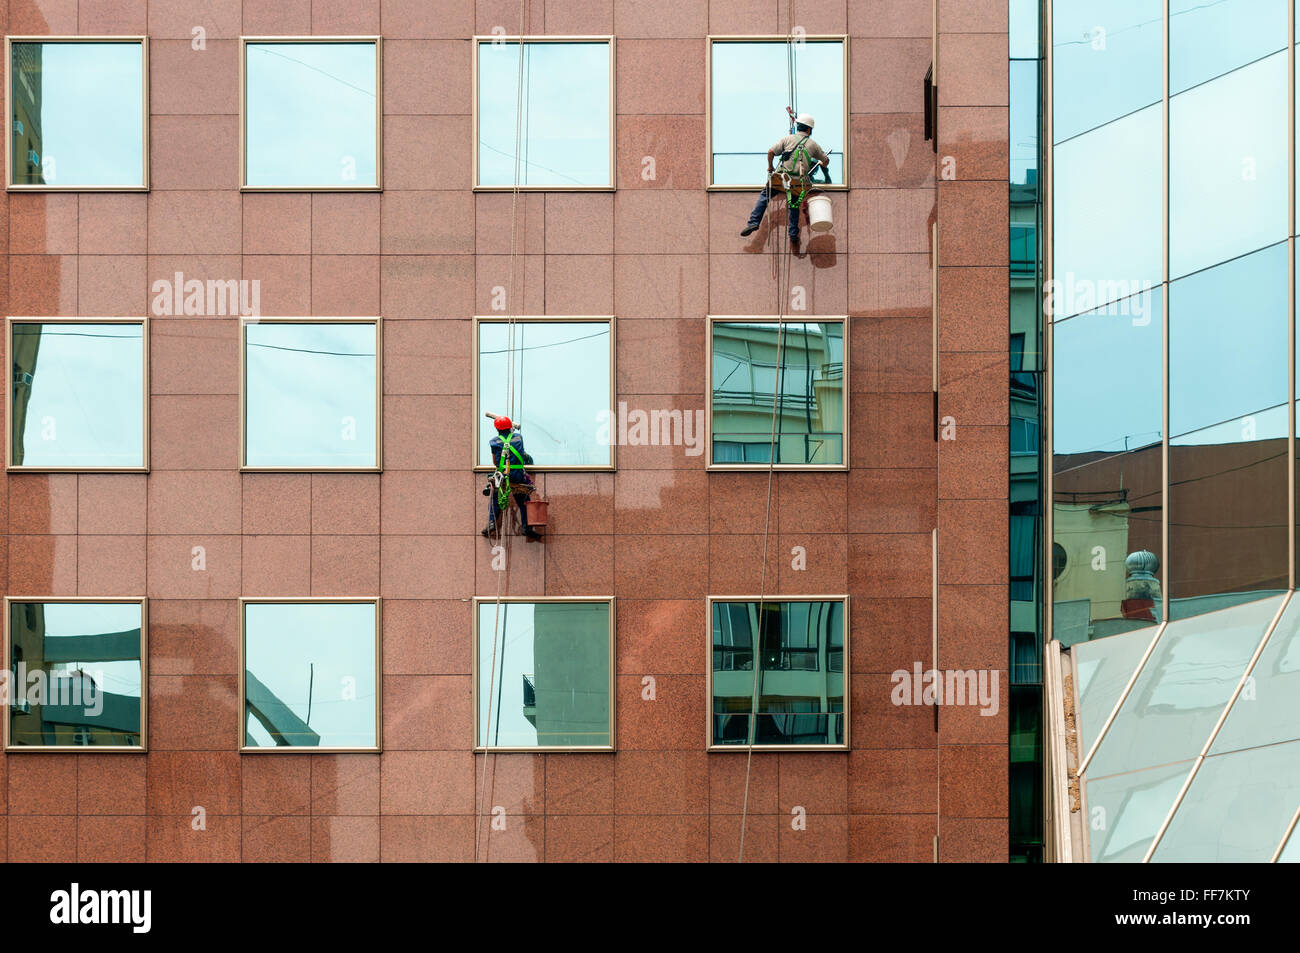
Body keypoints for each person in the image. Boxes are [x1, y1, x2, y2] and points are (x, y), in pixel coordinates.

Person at [739, 112, 831, 248]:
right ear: (809, 129)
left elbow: (771, 152)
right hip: (797, 182)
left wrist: (770, 167)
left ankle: (753, 222)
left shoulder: (787, 139)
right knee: (793, 207)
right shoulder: (813, 145)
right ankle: (793, 235)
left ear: (798, 126)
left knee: (765, 196)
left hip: (782, 177)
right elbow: (826, 160)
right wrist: (822, 165)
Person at [481, 415, 542, 541]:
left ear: (497, 429)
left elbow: (496, 463)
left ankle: (492, 523)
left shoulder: (494, 442)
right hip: (518, 475)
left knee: (496, 497)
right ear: (510, 427)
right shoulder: (519, 437)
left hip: (503, 475)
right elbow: (513, 443)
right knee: (524, 500)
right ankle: (527, 527)